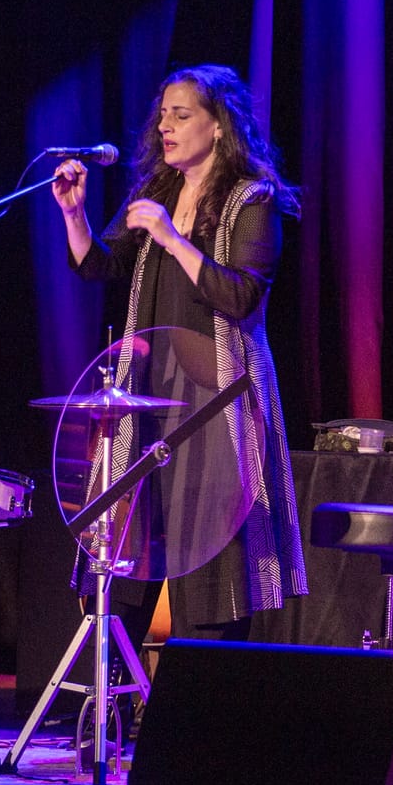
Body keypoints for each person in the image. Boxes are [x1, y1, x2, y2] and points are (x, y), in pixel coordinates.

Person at [52, 64, 305, 643]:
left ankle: (204, 716)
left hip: (216, 400)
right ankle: (114, 709)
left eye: (181, 115)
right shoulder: (156, 192)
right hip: (149, 397)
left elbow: (240, 297)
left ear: (219, 126)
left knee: (214, 565)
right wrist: (74, 214)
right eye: (163, 114)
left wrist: (172, 238)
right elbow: (101, 265)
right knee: (127, 558)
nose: (165, 126)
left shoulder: (251, 198)